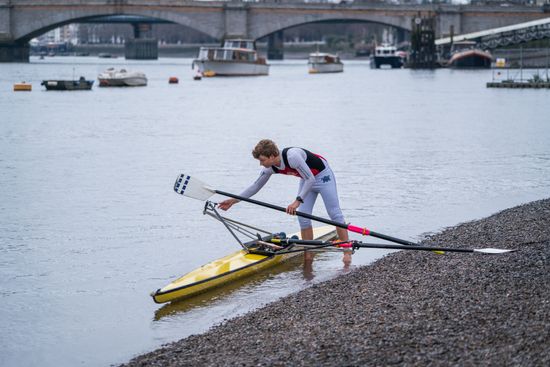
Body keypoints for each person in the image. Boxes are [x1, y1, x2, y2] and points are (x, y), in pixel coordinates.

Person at [218, 139, 351, 263]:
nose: (261, 164)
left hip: (323, 176)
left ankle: (347, 252)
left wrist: (297, 201)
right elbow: (255, 186)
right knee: (303, 218)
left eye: (262, 160)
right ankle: (308, 255)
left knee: (334, 213)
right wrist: (233, 201)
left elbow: (311, 179)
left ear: (271, 156)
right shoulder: (269, 168)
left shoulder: (292, 157)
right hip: (307, 180)